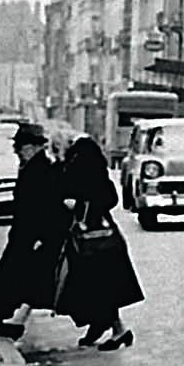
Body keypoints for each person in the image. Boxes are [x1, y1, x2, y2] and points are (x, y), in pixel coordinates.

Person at [0, 121, 68, 340]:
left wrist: (42, 237)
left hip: (33, 237)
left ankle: (1, 322)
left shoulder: (43, 171)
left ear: (34, 147)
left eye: (21, 147)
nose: (17, 151)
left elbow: (48, 208)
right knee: (10, 281)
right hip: (24, 234)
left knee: (19, 282)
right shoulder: (31, 168)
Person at [53, 135, 143, 350]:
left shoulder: (77, 168)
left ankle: (118, 331)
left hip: (91, 242)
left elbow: (89, 199)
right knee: (98, 288)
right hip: (103, 240)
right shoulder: (95, 170)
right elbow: (110, 198)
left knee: (99, 288)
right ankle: (101, 325)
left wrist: (79, 206)